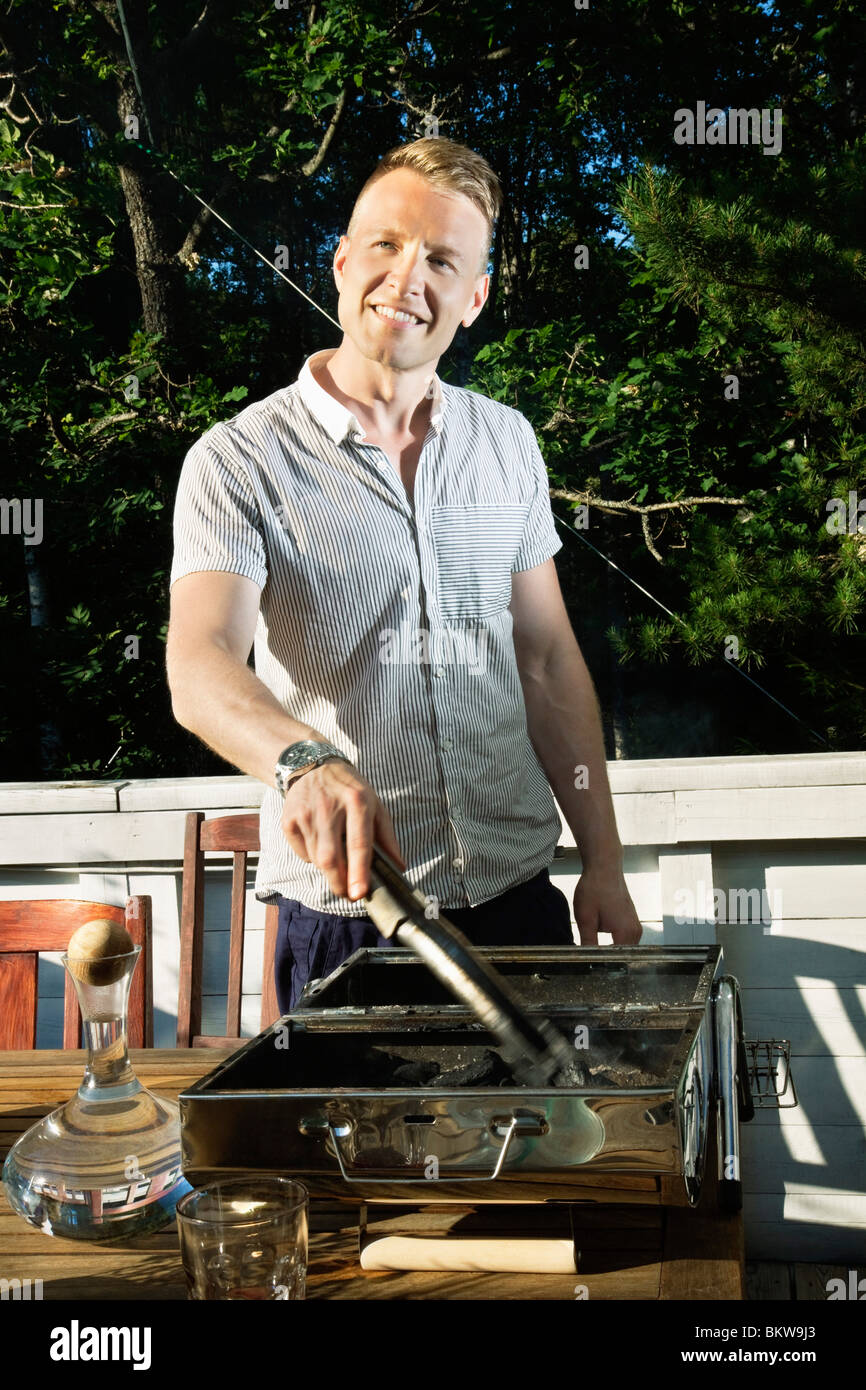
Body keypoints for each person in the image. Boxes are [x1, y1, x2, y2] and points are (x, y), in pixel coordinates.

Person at [166, 137, 642, 1012]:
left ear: (474, 298)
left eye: (443, 260)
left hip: (520, 906)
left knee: (538, 1149)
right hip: (349, 919)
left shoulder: (509, 445)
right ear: (343, 261)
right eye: (386, 243)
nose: (407, 277)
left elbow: (547, 662)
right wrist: (300, 760)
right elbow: (199, 667)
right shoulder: (236, 461)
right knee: (353, 1157)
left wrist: (603, 863)